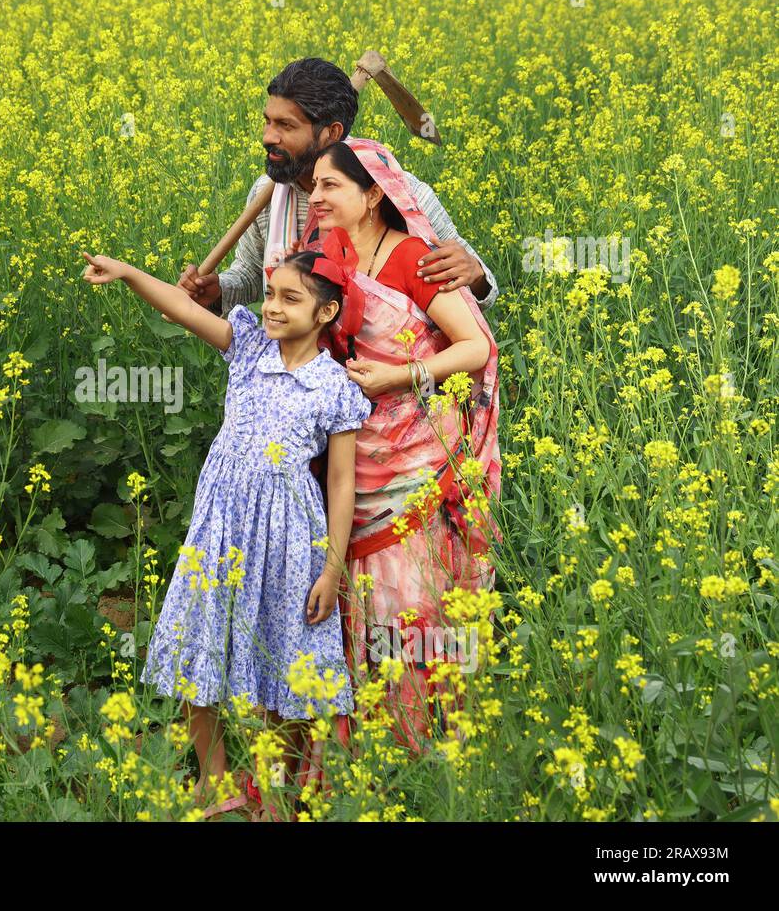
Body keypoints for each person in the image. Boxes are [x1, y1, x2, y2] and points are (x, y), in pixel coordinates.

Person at [78, 239, 371, 820]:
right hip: (221, 521)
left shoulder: (337, 387)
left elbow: (341, 485)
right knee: (195, 641)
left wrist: (332, 566)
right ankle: (214, 779)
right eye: (270, 295)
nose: (273, 307)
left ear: (326, 313)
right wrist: (129, 270)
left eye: (291, 299)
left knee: (286, 659)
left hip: (290, 536)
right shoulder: (248, 347)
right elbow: (184, 308)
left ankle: (271, 787)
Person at [300, 137, 502, 762]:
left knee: (408, 602)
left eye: (329, 186)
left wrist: (401, 378)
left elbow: (476, 347)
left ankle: (429, 748)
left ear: (372, 195)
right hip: (345, 455)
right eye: (313, 187)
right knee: (355, 602)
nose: (315, 197)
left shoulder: (414, 257)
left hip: (416, 457)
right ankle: (370, 754)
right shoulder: (321, 260)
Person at [178, 57, 499, 318]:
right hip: (296, 377)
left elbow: (483, 291)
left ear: (332, 133)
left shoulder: (399, 193)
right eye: (268, 121)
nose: (268, 137)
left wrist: (475, 276)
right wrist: (218, 291)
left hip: (383, 381)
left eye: (286, 126)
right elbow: (251, 276)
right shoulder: (268, 194)